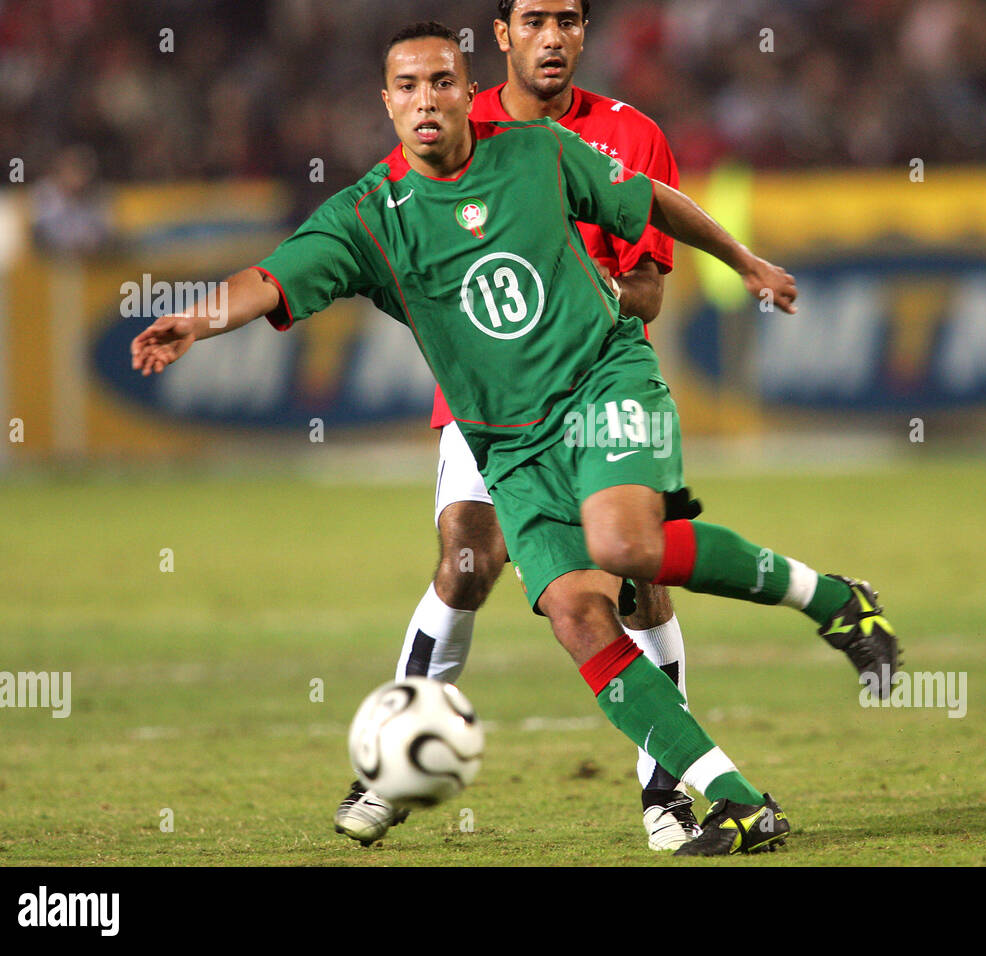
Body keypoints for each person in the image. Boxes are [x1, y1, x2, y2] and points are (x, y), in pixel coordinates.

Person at [132, 21, 898, 857]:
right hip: (507, 444)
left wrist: (744, 260)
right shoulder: (366, 218)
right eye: (409, 86)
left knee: (627, 549)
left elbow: (645, 202)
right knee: (574, 613)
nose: (427, 99)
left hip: (603, 380)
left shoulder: (538, 150)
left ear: (470, 90)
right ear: (386, 103)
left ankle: (828, 602)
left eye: (442, 82)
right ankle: (737, 801)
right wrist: (195, 322)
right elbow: (271, 277)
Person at [354, 0, 700, 852]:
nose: (554, 37)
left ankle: (669, 792)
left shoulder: (632, 135)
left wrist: (570, 294)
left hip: (602, 388)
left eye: (570, 20)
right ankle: (391, 770)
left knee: (638, 576)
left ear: (586, 33)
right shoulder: (447, 120)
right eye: (535, 20)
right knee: (466, 561)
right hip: (487, 397)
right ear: (501, 36)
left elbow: (650, 290)